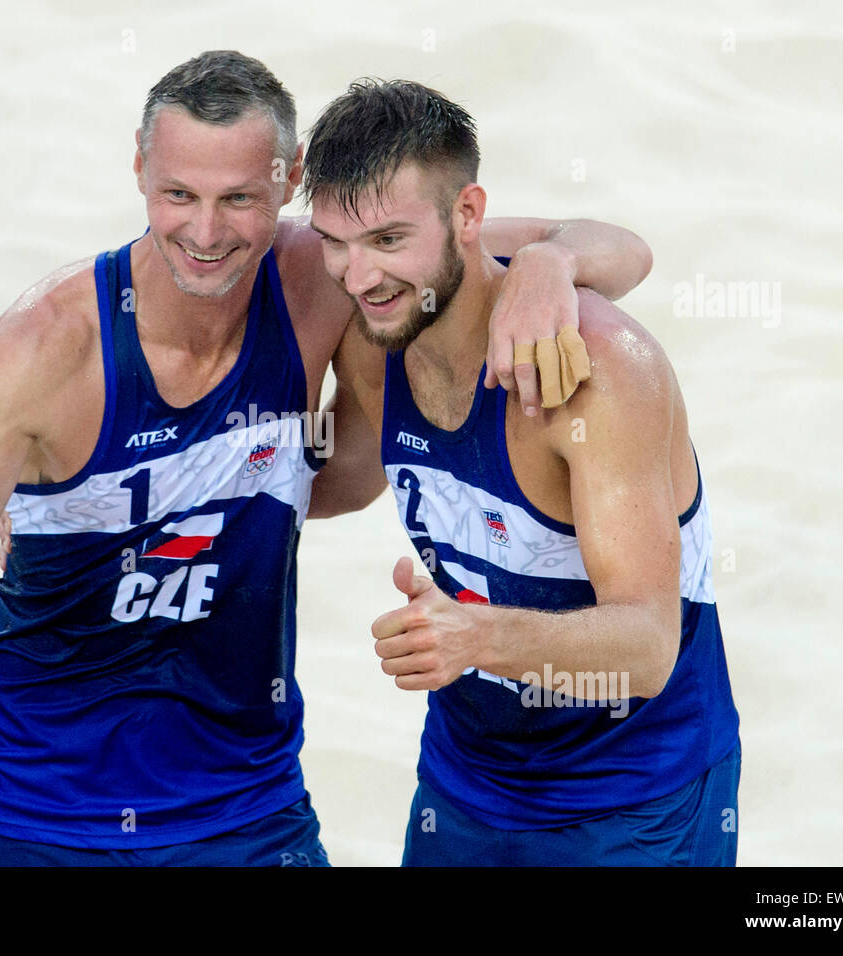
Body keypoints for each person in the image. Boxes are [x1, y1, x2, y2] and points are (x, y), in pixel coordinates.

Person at [0, 51, 653, 866]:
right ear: (139, 170)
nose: (205, 234)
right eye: (179, 194)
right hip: (31, 808)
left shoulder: (326, 271)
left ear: (291, 180)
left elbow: (620, 249)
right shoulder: (39, 354)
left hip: (246, 798)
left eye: (239, 198)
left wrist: (546, 267)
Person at [303, 78, 741, 866]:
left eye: (387, 242)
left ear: (467, 217)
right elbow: (339, 479)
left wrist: (475, 636)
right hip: (466, 779)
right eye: (335, 243)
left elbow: (647, 646)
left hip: (635, 793)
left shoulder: (599, 372)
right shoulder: (373, 331)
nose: (358, 277)